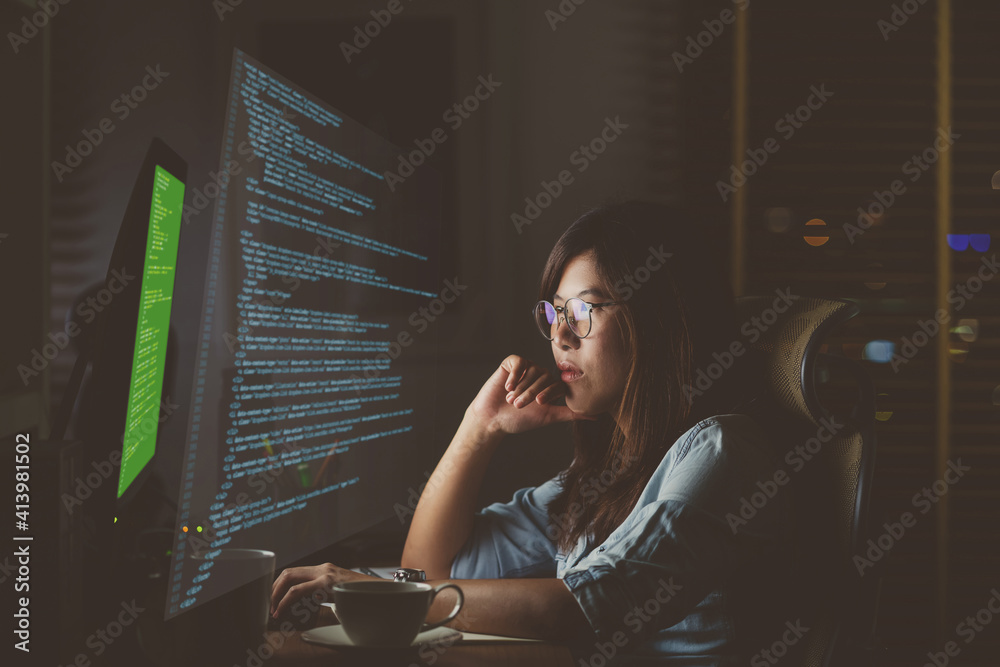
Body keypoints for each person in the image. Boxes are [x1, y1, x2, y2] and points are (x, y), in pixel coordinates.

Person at [270, 200, 796, 665]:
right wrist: (480, 429)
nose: (560, 336)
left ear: (660, 317)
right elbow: (432, 567)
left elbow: (576, 610)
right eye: (554, 313)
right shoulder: (612, 472)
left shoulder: (720, 451)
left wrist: (377, 595)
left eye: (585, 310)